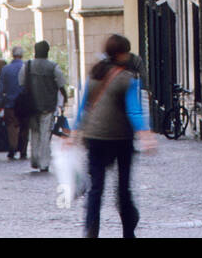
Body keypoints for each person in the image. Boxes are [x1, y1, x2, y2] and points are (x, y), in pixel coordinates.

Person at [73, 34, 154, 237]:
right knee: (123, 188)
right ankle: (128, 230)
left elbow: (83, 105)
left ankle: (91, 230)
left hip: (94, 137)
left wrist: (74, 131)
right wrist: (145, 133)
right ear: (121, 54)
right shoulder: (127, 78)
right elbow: (134, 109)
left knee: (96, 188)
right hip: (120, 138)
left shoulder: (95, 74)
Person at [21, 40, 68, 172]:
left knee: (34, 132)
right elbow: (61, 85)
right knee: (45, 134)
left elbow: (21, 82)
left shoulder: (27, 66)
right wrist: (64, 99)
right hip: (48, 105)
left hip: (31, 105)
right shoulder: (53, 67)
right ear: (47, 51)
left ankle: (35, 159)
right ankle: (44, 163)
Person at [0, 47, 28, 160]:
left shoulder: (5, 69)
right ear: (22, 55)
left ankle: (12, 147)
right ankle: (23, 151)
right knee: (24, 126)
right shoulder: (26, 68)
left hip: (10, 103)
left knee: (11, 126)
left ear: (12, 55)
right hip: (24, 103)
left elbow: (1, 89)